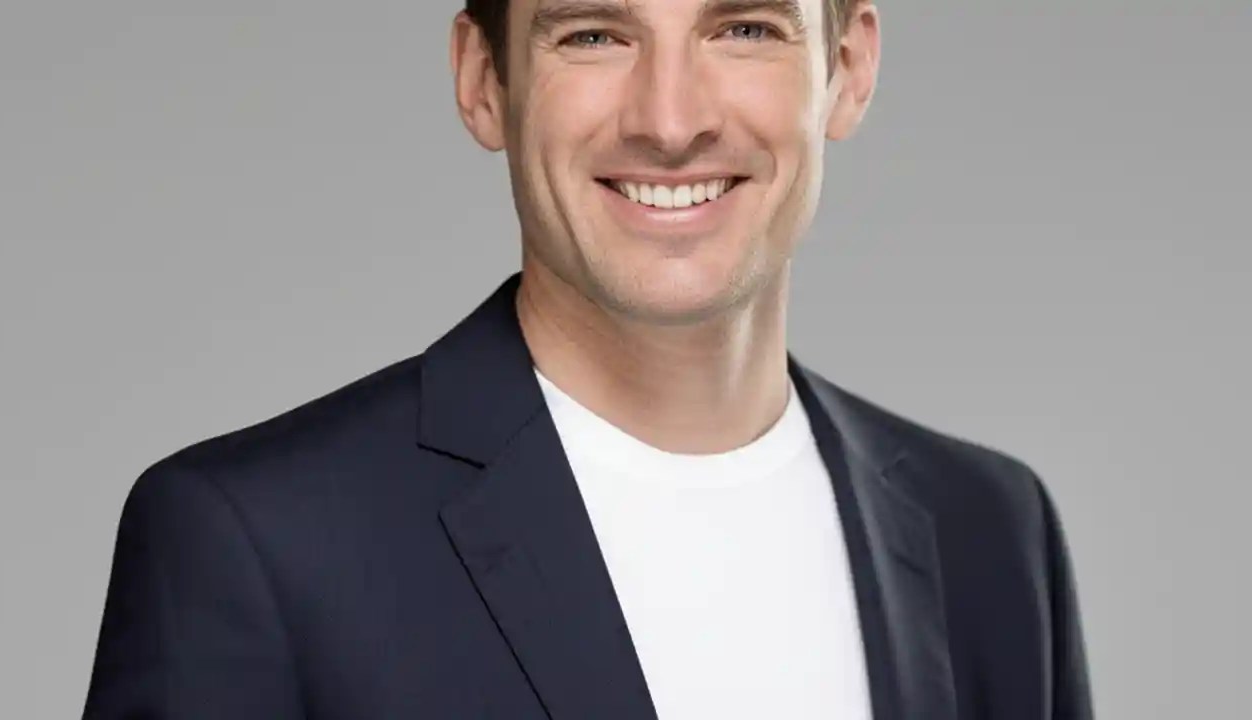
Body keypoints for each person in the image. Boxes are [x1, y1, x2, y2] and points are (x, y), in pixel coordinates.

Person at [81, 1, 1095, 718]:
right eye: (592, 33)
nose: (668, 119)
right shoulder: (252, 543)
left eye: (741, 26)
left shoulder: (991, 532)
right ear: (484, 82)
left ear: (848, 67)